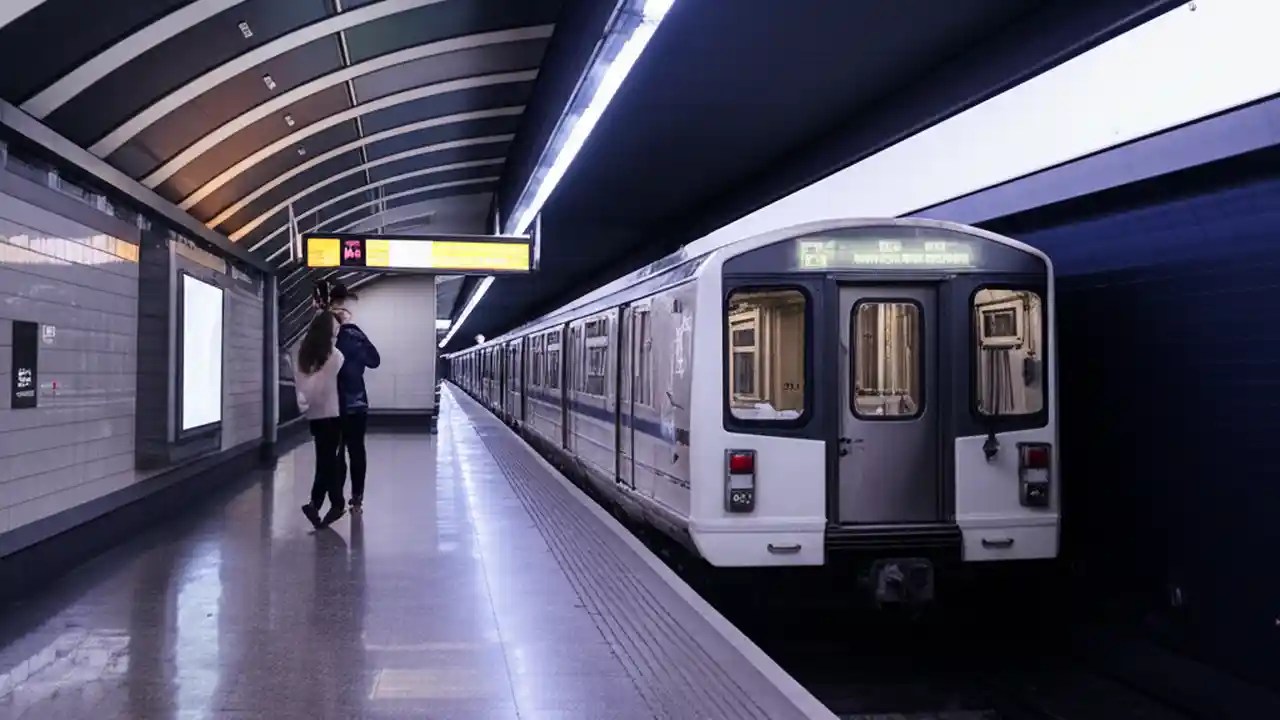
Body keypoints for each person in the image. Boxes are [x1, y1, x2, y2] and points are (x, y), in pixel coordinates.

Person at [325, 281, 381, 512]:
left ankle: (338, 499)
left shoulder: (332, 334)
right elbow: (374, 360)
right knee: (355, 450)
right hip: (355, 403)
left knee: (337, 452)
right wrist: (354, 332)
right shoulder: (354, 335)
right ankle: (355, 498)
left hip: (335, 404)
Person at [294, 311, 347, 529]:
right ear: (328, 331)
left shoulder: (303, 353)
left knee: (324, 461)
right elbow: (326, 385)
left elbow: (303, 386)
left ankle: (316, 505)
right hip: (332, 414)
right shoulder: (335, 355)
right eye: (335, 330)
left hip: (314, 415)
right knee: (330, 463)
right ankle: (336, 503)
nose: (337, 334)